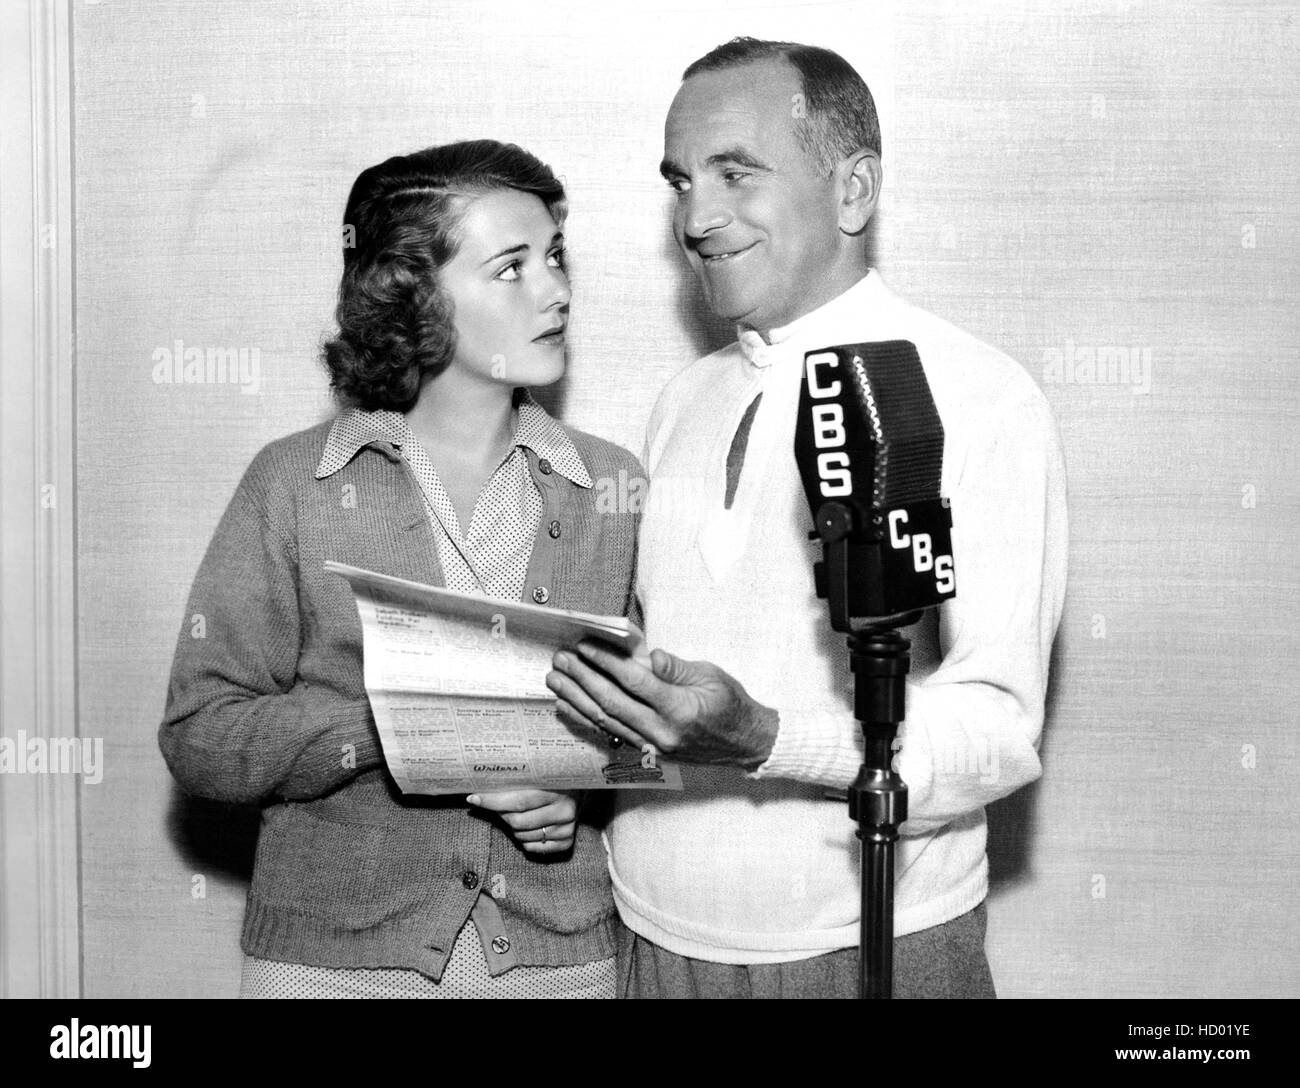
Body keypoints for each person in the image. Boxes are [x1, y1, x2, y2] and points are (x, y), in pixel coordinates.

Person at [547, 37, 1068, 998]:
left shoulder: (978, 394)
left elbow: (999, 726)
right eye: (681, 182)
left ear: (853, 190)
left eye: (735, 173)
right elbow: (659, 689)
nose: (696, 219)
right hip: (647, 944)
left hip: (872, 948)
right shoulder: (682, 399)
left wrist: (765, 735)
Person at [159, 140, 642, 998]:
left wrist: (582, 797)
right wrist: (391, 731)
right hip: (332, 966)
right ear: (414, 295)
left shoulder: (612, 489)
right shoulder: (294, 484)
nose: (558, 290)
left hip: (558, 963)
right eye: (512, 268)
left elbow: (663, 732)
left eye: (557, 258)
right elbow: (202, 735)